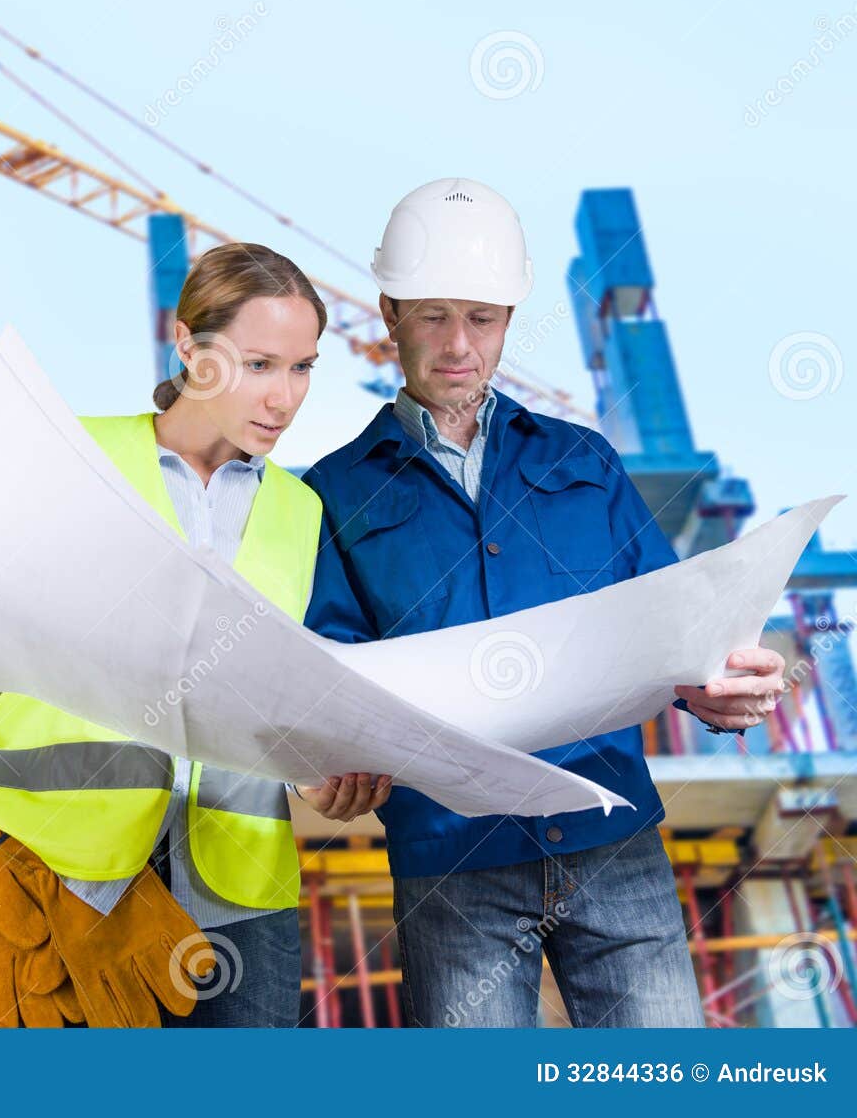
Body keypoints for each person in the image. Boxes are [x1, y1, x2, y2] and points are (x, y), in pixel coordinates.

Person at [297, 177, 788, 1027]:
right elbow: (329, 673)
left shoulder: (584, 459)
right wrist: (329, 762)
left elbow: (677, 622)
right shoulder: (334, 493)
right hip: (452, 858)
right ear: (387, 312)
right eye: (432, 315)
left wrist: (722, 687)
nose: (458, 345)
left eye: (481, 318)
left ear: (510, 320)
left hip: (614, 837)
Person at [0, 242, 334, 1027]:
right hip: (57, 870)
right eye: (260, 363)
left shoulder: (303, 512)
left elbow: (296, 697)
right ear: (189, 347)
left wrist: (330, 769)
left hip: (239, 891)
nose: (285, 397)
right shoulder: (69, 458)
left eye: (304, 367)